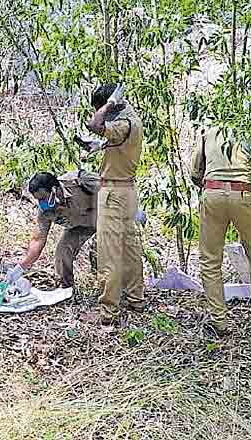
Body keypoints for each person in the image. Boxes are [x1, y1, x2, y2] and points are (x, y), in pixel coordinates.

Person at [190, 126, 251, 337]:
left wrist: (212, 191)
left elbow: (196, 174)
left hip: (212, 193)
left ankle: (219, 322)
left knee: (210, 260)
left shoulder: (209, 132)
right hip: (245, 195)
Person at [81, 84, 145, 322]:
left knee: (109, 250)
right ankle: (135, 298)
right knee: (129, 248)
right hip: (127, 191)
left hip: (113, 193)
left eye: (103, 109)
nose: (103, 114)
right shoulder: (131, 121)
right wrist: (100, 146)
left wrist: (107, 104)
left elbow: (94, 125)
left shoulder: (122, 123)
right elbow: (117, 143)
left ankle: (109, 309)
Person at [5, 171, 99, 289]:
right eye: (39, 200)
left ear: (54, 189)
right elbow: (38, 240)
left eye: (43, 198)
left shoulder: (79, 180)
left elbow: (114, 191)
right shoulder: (44, 212)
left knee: (103, 251)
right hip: (79, 227)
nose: (42, 203)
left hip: (106, 219)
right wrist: (20, 267)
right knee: (62, 254)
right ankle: (66, 290)